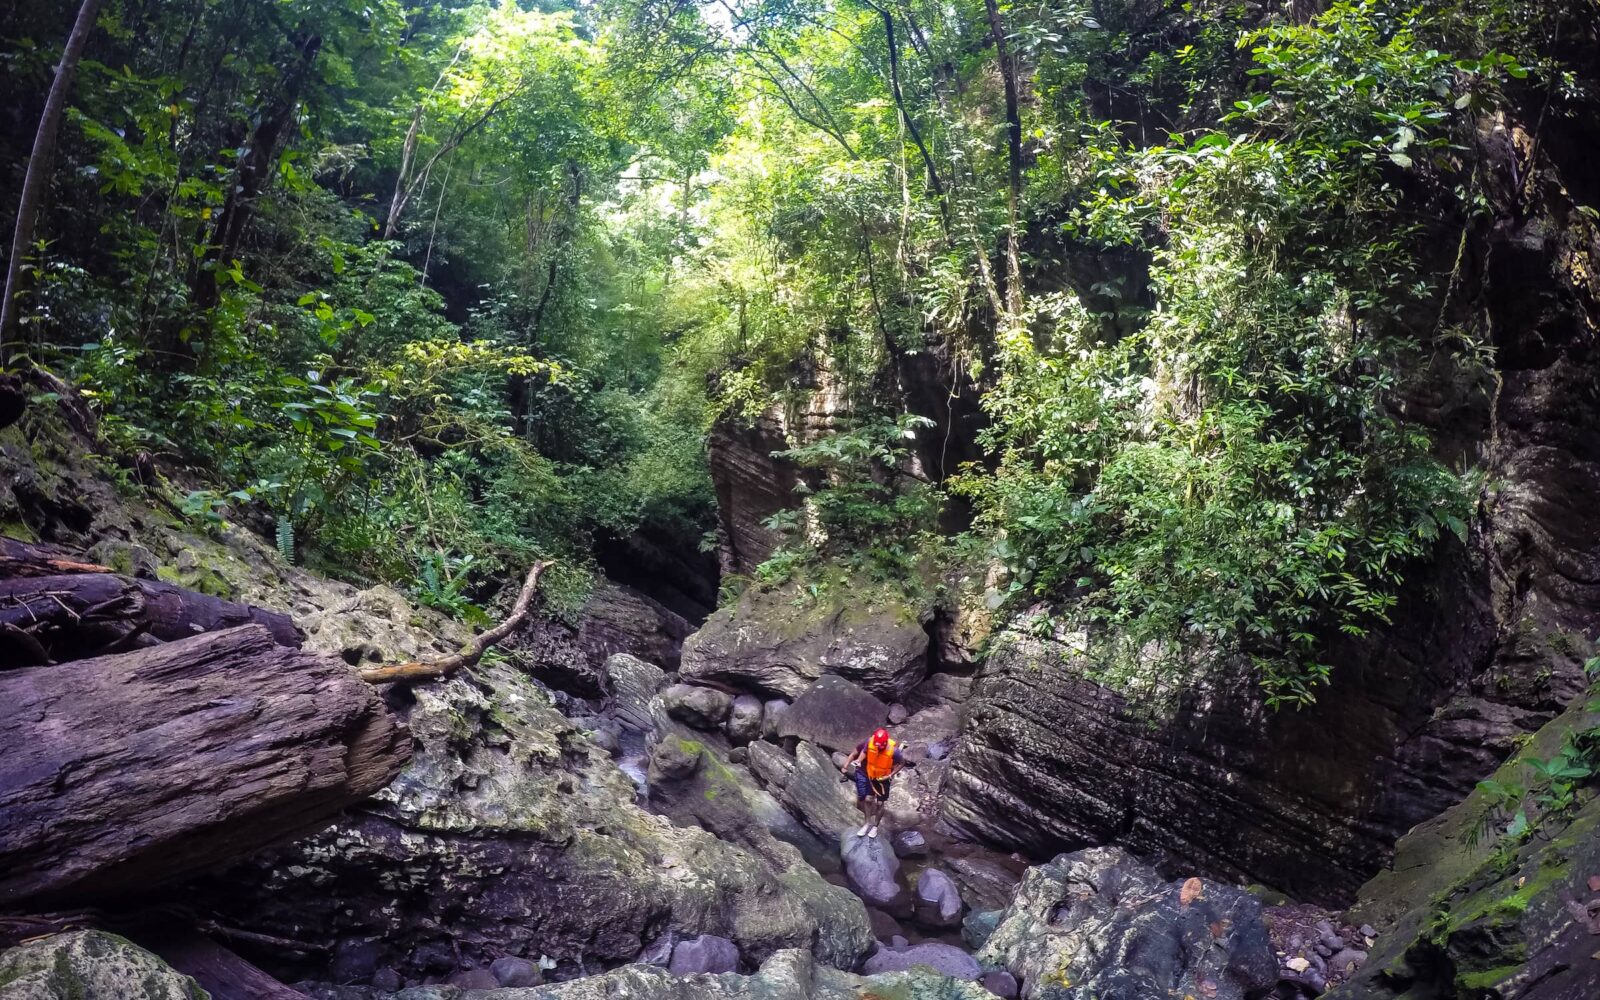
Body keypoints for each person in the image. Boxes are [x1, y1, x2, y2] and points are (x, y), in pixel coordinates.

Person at [841, 727, 905, 839]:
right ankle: (867, 823)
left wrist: (891, 774)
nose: (878, 747)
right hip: (872, 776)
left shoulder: (894, 751)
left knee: (880, 803)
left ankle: (875, 826)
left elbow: (902, 763)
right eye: (877, 745)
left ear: (885, 743)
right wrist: (859, 761)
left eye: (881, 746)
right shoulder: (870, 743)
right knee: (868, 799)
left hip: (884, 778)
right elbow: (863, 752)